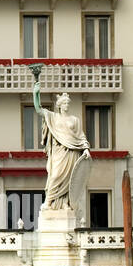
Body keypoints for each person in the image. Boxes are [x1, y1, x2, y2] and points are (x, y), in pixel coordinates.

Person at [32, 78, 91, 210]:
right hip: (58, 152)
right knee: (55, 175)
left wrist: (86, 149)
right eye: (64, 103)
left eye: (68, 103)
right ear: (59, 105)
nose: (66, 105)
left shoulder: (75, 120)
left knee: (70, 180)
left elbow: (81, 136)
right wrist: (35, 93)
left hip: (72, 152)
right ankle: (48, 201)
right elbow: (38, 109)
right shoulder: (53, 116)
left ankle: (65, 202)